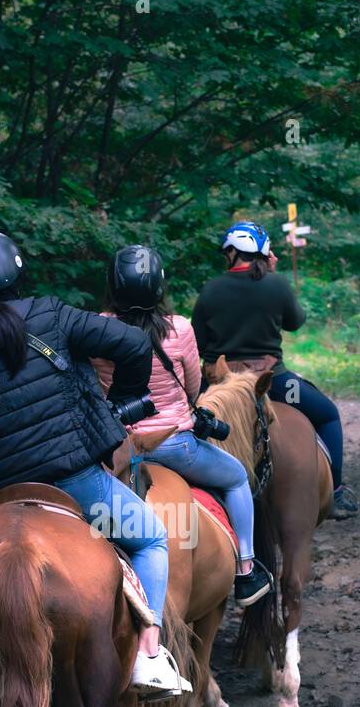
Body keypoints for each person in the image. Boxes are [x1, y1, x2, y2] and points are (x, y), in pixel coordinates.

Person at [0, 230, 192, 698]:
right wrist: (123, 403)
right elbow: (131, 343)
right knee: (149, 538)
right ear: (16, 271)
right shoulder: (52, 314)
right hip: (74, 480)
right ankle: (148, 656)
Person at [95, 245, 273, 607]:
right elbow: (193, 387)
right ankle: (246, 569)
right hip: (175, 446)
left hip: (118, 448)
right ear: (159, 287)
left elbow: (98, 389)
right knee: (237, 477)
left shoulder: (97, 329)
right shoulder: (179, 328)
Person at [191, 221, 359, 519]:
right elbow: (295, 322)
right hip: (271, 382)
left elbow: (199, 342)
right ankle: (335, 493)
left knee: (192, 427)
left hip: (222, 386)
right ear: (263, 254)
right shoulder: (277, 284)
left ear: (232, 253)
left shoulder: (211, 289)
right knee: (328, 414)